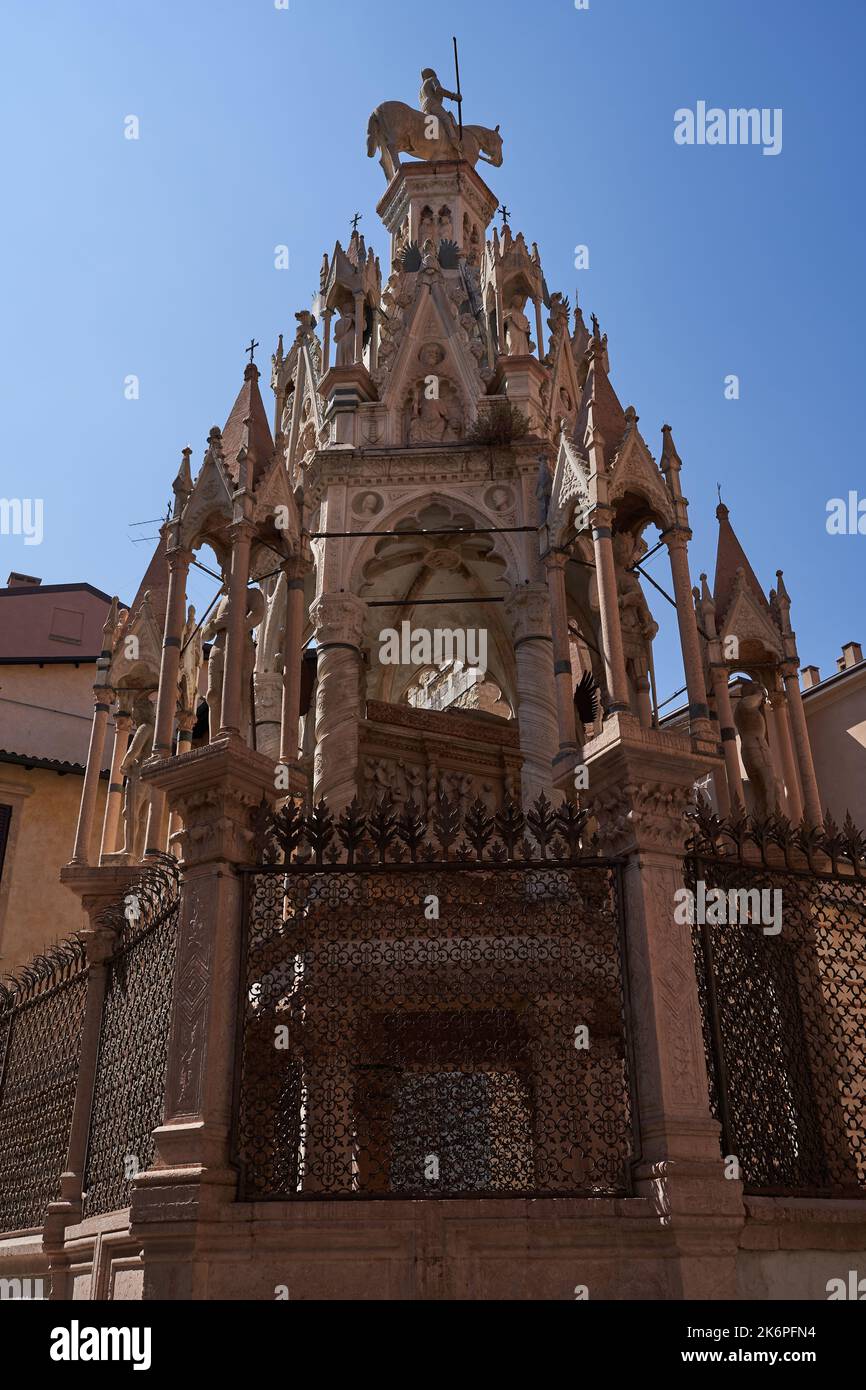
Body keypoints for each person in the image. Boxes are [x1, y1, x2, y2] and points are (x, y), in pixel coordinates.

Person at [419, 68, 463, 157]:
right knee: (446, 119)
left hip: (424, 108)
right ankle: (454, 141)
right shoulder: (432, 79)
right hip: (433, 104)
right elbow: (438, 90)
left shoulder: (421, 89)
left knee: (434, 126)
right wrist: (454, 96)